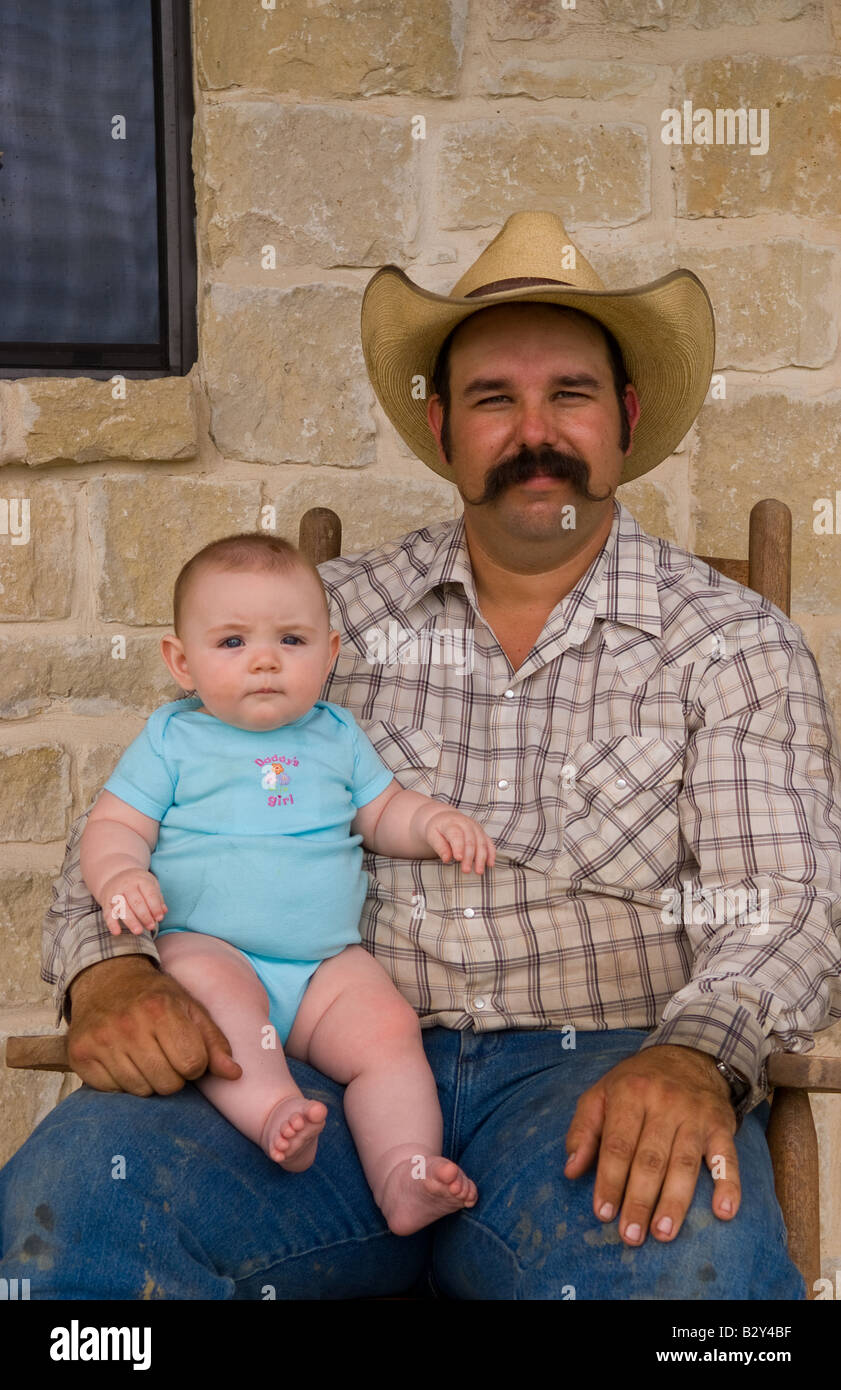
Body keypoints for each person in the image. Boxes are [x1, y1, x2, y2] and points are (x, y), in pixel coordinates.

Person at [2, 209, 840, 1300]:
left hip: (593, 1081)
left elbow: (781, 909)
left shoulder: (727, 642)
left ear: (625, 419)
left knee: (692, 1274)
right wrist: (109, 971)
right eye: (493, 398)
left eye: (570, 394)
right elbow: (132, 825)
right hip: (302, 1071)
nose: (534, 429)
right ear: (441, 427)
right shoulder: (319, 623)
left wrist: (695, 1055)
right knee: (72, 1211)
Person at [77, 532, 493, 1234]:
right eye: (232, 642)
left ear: (329, 655)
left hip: (325, 966)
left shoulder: (335, 735)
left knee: (390, 1034)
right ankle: (272, 1108)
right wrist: (121, 874)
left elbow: (382, 811)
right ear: (182, 662)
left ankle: (403, 1171)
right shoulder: (173, 739)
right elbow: (115, 825)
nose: (265, 659)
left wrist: (431, 825)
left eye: (292, 641)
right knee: (220, 1002)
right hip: (212, 947)